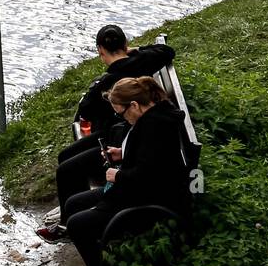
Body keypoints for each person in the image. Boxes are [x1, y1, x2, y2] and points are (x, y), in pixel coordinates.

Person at [36, 24, 175, 242]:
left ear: (100, 50)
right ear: (126, 45)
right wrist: (134, 51)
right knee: (66, 159)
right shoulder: (146, 60)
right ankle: (70, 218)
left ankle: (68, 225)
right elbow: (167, 51)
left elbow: (86, 109)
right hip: (123, 134)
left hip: (117, 135)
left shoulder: (112, 79)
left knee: (67, 168)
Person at [62, 76, 193, 266]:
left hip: (149, 198)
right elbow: (153, 158)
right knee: (73, 204)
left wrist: (117, 176)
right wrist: (122, 153)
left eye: (121, 113)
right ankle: (104, 256)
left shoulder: (154, 127)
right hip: (140, 189)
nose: (122, 119)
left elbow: (148, 176)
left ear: (134, 105)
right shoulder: (155, 117)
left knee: (76, 224)